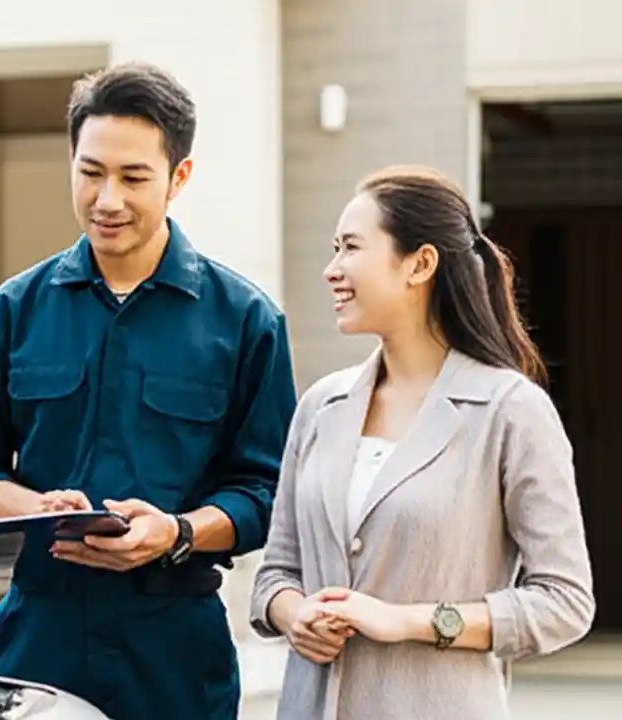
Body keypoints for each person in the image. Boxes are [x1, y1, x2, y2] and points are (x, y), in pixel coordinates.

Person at [0, 61, 298, 720]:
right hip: (39, 642)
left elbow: (267, 491)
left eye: (133, 178)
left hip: (175, 653)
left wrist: (176, 531)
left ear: (179, 177)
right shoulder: (12, 311)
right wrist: (34, 506)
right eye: (90, 172)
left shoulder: (245, 321)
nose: (107, 199)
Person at [249, 165, 596, 719]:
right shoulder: (320, 407)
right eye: (334, 248)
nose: (331, 270)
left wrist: (409, 620)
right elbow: (276, 573)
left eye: (351, 248)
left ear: (420, 263)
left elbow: (565, 602)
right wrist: (294, 617)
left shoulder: (510, 412)